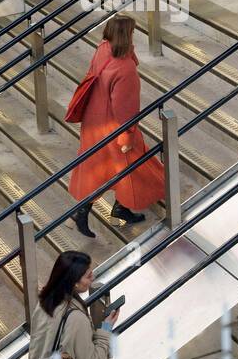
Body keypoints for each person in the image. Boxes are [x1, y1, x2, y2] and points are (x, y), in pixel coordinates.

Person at [66, 14, 166, 238]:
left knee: (99, 168)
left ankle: (115, 211)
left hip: (94, 122)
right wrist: (127, 136)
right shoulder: (125, 69)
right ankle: (99, 211)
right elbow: (125, 108)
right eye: (131, 33)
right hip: (114, 128)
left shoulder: (103, 49)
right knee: (132, 167)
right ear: (126, 36)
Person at [27, 251, 116, 359]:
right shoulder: (76, 318)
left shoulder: (46, 300)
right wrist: (106, 329)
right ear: (74, 282)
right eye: (88, 274)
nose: (93, 276)